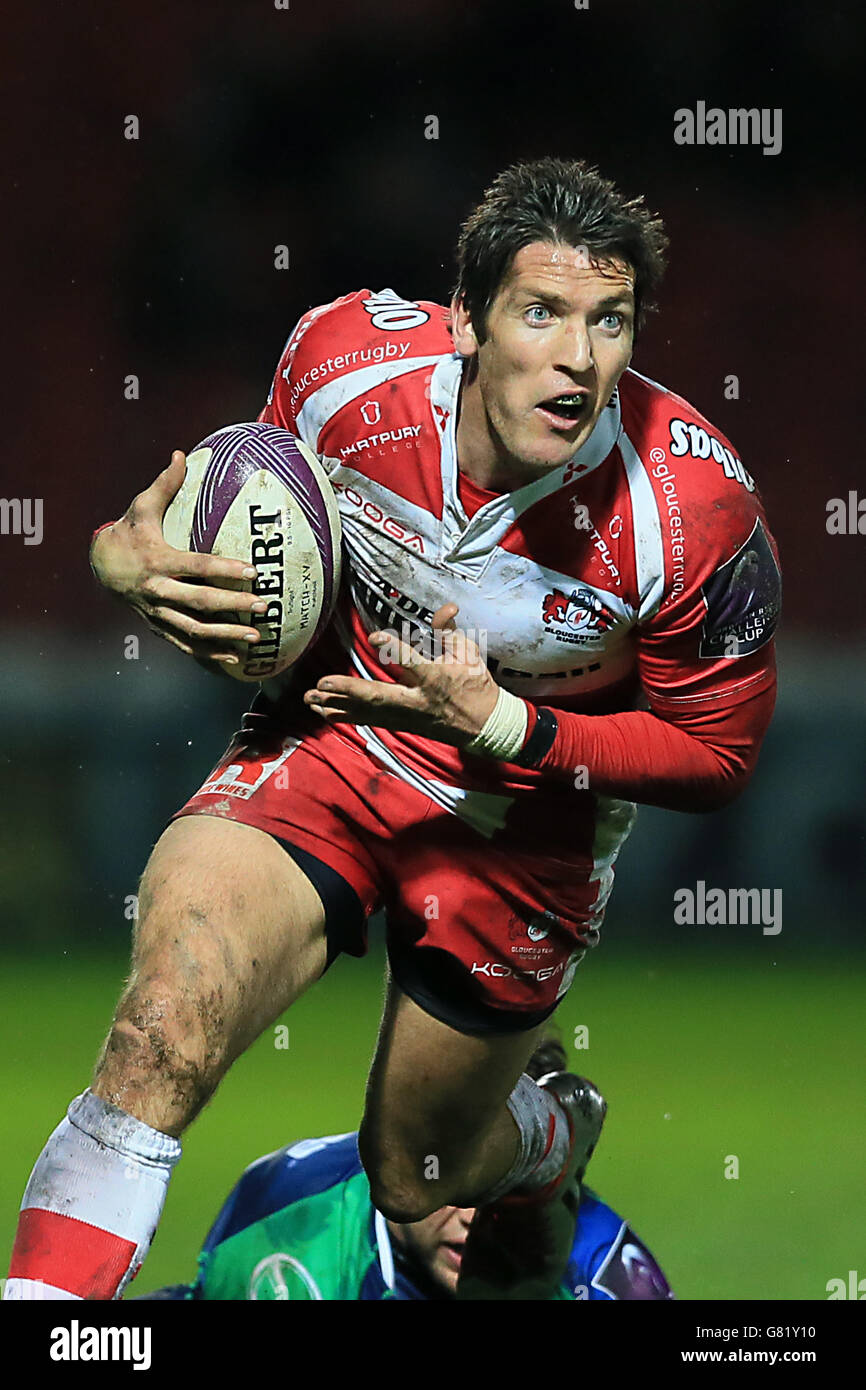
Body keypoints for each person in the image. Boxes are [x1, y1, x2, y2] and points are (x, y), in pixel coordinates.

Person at [5, 157, 780, 1303]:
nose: (577, 356)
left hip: (523, 827)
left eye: (608, 321)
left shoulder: (692, 509)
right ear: (466, 319)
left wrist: (507, 723)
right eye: (540, 312)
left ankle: (548, 1132)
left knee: (417, 1174)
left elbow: (717, 756)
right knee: (161, 1027)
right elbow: (255, 539)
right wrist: (128, 559)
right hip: (332, 740)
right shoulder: (339, 366)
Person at [134, 1041, 673, 1302]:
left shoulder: (602, 1273)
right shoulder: (287, 1225)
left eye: (505, 1189)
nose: (475, 1217)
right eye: (458, 1182)